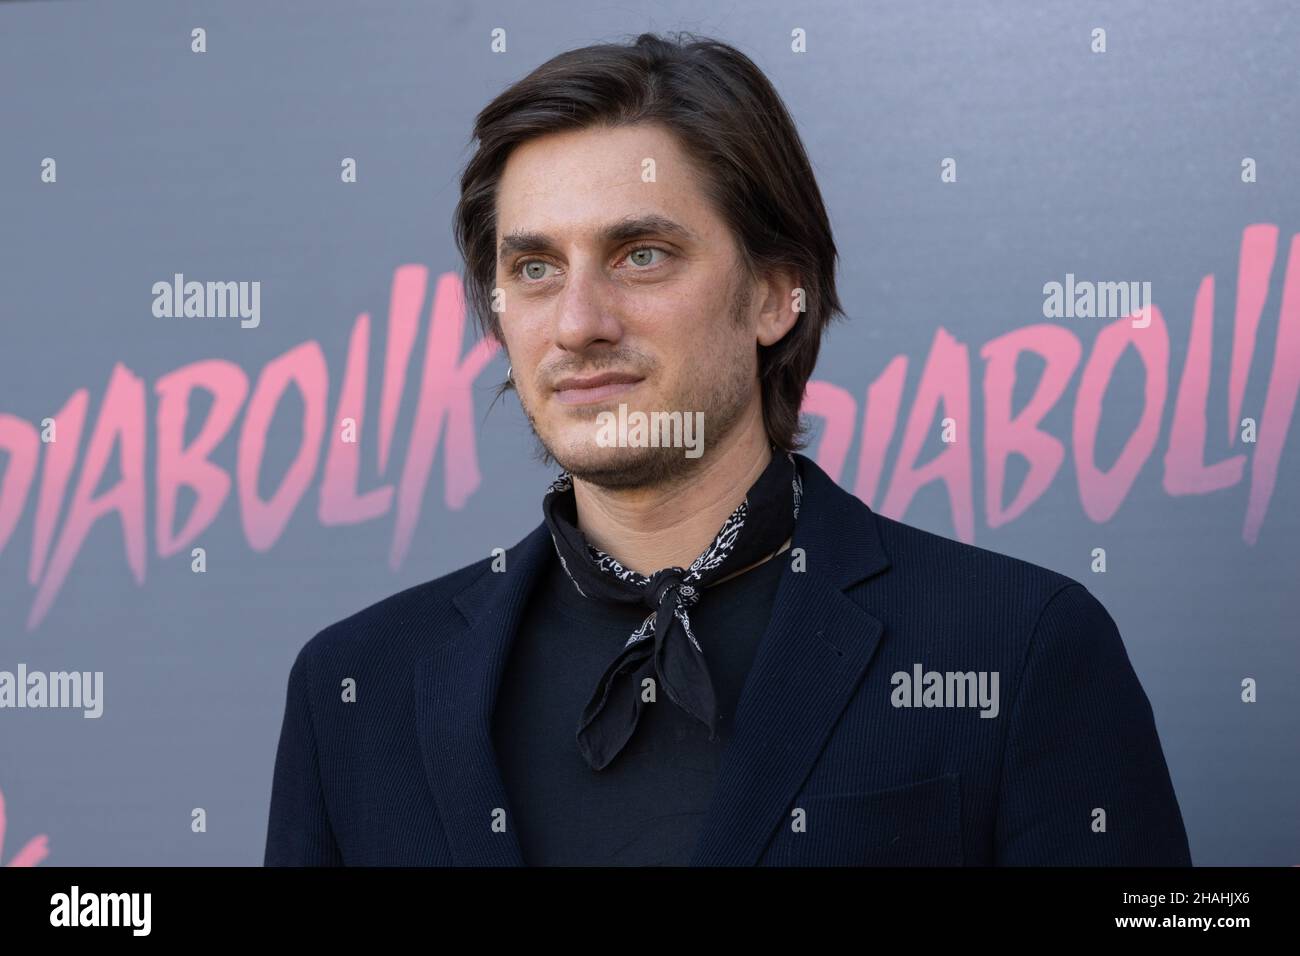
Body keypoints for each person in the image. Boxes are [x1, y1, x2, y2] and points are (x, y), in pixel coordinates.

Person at [264, 32, 1191, 866]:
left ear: (776, 294)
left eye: (641, 255)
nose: (578, 323)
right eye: (535, 269)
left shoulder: (1016, 647)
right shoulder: (356, 688)